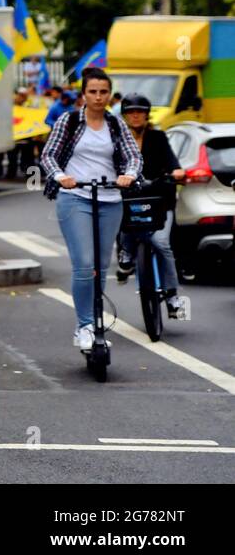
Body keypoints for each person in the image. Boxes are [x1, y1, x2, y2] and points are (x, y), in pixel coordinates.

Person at [40, 67, 142, 351]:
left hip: (110, 199)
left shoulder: (116, 124)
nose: (99, 97)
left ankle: (96, 321)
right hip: (75, 198)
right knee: (84, 265)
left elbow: (133, 155)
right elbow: (48, 155)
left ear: (110, 95)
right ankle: (84, 326)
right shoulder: (69, 121)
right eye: (93, 92)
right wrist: (61, 177)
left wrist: (130, 174)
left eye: (104, 92)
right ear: (83, 94)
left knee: (99, 266)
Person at [115, 93, 187, 316]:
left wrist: (176, 172)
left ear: (147, 115)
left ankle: (173, 296)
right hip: (130, 200)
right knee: (122, 222)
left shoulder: (158, 137)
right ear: (124, 116)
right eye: (131, 112)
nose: (135, 116)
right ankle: (125, 254)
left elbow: (172, 162)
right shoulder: (116, 140)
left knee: (161, 243)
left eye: (140, 112)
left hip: (159, 201)